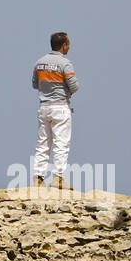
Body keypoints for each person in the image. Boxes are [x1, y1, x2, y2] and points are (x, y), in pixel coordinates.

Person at [31, 31, 79, 190]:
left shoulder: (39, 63)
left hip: (44, 106)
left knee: (43, 143)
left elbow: (35, 84)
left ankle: (38, 179)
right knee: (61, 143)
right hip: (60, 106)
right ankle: (58, 178)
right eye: (68, 44)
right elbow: (74, 86)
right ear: (64, 45)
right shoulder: (65, 64)